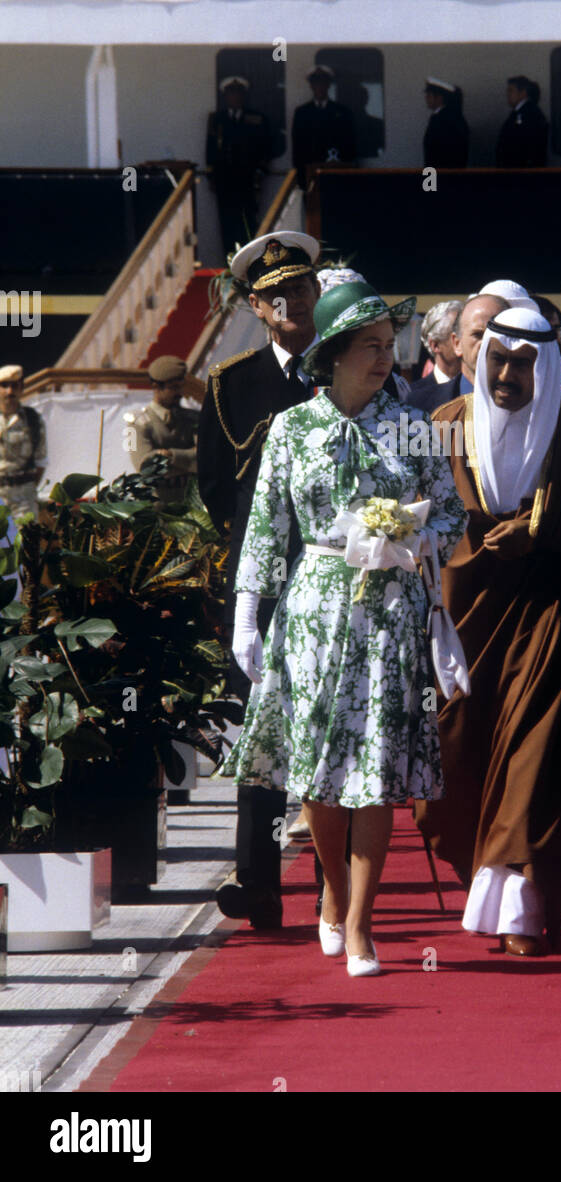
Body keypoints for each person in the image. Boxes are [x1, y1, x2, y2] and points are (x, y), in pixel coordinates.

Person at [228, 280, 468, 975]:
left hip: (390, 614)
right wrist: (248, 613)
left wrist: (415, 541)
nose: (383, 359)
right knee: (319, 774)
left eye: (389, 346)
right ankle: (333, 893)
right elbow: (268, 531)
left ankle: (361, 924)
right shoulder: (291, 431)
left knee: (378, 769)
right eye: (369, 347)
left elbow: (451, 518)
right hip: (312, 616)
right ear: (331, 354)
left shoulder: (414, 428)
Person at [414, 307, 561, 954]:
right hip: (459, 623)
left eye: (523, 363)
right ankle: (486, 884)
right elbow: (410, 520)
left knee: (535, 759)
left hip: (547, 617)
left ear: (546, 366)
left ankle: (524, 908)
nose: (506, 375)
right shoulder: (443, 426)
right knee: (457, 753)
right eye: (497, 359)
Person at [198, 230, 321, 929]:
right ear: (255, 306)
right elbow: (216, 491)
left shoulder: (345, 369)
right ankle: (257, 881)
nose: (291, 301)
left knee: (330, 727)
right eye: (276, 295)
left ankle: (339, 883)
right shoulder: (231, 383)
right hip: (264, 586)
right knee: (261, 735)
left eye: (300, 288)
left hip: (336, 575)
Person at [206, 76, 272, 256]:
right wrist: (212, 176)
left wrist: (261, 172)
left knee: (248, 222)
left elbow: (266, 149)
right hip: (224, 181)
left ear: (243, 96)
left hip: (248, 180)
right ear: (225, 96)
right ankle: (229, 261)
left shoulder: (257, 119)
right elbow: (211, 150)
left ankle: (249, 262)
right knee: (226, 223)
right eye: (231, 93)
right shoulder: (216, 119)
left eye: (238, 93)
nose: (234, 97)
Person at [126, 356, 199, 505]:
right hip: (160, 508)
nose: (179, 393)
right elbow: (145, 466)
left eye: (181, 386)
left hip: (193, 503)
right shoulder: (136, 424)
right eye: (173, 388)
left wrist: (170, 456)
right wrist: (188, 463)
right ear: (156, 387)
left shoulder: (193, 419)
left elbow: (204, 457)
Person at [290, 65, 356, 191]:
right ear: (311, 86)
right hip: (310, 175)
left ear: (329, 85)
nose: (319, 87)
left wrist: (345, 168)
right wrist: (301, 175)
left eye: (323, 83)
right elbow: (297, 146)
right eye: (316, 83)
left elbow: (350, 144)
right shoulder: (302, 113)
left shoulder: (342, 112)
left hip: (336, 173)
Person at [0, 365, 46, 524]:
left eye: (14, 386)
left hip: (24, 497)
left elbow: (41, 461)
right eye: (4, 385)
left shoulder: (32, 420)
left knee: (25, 544)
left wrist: (26, 486)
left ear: (21, 388)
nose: (9, 391)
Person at [450, 293, 510, 397]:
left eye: (496, 335)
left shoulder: (532, 405)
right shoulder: (419, 405)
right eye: (478, 335)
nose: (485, 344)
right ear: (457, 343)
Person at [407, 300, 463, 412]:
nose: (466, 339)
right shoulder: (413, 398)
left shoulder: (481, 389)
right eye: (458, 334)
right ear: (435, 345)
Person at [495, 76, 548, 168]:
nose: (507, 94)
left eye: (511, 91)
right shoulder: (524, 112)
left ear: (523, 93)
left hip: (520, 170)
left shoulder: (528, 114)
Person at [422, 78, 469, 169]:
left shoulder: (445, 120)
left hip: (444, 175)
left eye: (429, 95)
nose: (426, 98)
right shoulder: (447, 118)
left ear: (439, 98)